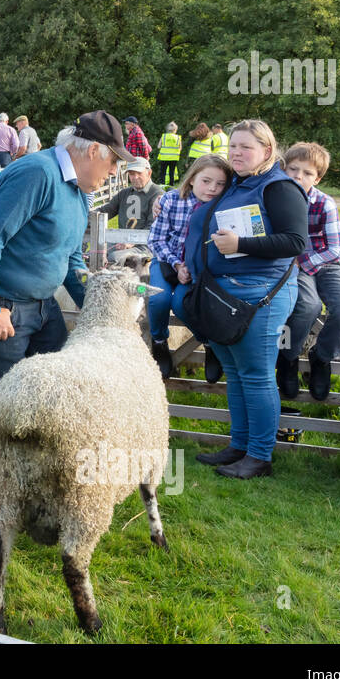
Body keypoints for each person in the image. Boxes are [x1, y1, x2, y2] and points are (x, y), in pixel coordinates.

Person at [0, 110, 130, 398]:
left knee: (56, 393)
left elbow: (72, 256)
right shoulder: (36, 173)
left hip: (43, 305)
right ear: (92, 151)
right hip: (3, 305)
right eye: (113, 161)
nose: (114, 171)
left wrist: (97, 307)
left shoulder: (78, 189)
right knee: (8, 401)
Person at [173, 120, 307, 480]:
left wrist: (241, 245)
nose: (236, 153)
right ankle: (240, 445)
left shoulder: (279, 187)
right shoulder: (239, 183)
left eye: (245, 147)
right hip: (224, 293)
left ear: (267, 151)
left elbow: (295, 242)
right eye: (233, 146)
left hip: (258, 296)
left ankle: (259, 456)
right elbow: (198, 193)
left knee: (258, 376)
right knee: (235, 373)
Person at [277, 142, 340, 401]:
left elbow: (335, 249)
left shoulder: (324, 203)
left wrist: (306, 265)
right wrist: (298, 265)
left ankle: (322, 357)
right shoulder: (276, 198)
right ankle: (288, 357)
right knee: (307, 306)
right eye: (293, 169)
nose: (298, 176)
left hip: (326, 263)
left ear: (318, 177)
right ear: (284, 169)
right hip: (293, 263)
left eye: (307, 173)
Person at [146, 154, 234, 380]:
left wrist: (191, 269)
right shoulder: (171, 200)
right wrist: (176, 265)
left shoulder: (223, 207)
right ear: (192, 178)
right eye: (206, 181)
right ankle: (159, 342)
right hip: (167, 260)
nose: (213, 188)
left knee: (183, 304)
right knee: (158, 299)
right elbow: (156, 240)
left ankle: (209, 343)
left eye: (220, 183)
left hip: (199, 267)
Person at [103, 157, 164, 231]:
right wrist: (86, 217)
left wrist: (132, 242)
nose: (135, 177)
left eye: (139, 173)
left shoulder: (157, 195)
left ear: (149, 173)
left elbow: (153, 226)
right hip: (121, 240)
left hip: (146, 242)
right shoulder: (124, 193)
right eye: (131, 174)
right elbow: (106, 210)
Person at [155, 122, 182, 186]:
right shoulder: (178, 137)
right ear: (175, 130)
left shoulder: (164, 136)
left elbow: (158, 146)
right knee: (171, 172)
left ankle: (162, 185)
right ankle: (171, 185)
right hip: (174, 158)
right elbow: (180, 148)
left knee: (163, 172)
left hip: (164, 157)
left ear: (167, 129)